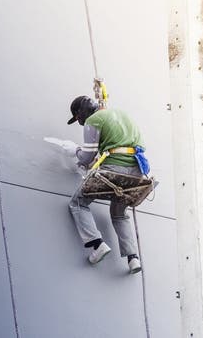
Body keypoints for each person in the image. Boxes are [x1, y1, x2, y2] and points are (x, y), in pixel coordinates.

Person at [67, 95, 145, 274]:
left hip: (114, 170)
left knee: (77, 202)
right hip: (136, 172)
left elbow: (87, 157)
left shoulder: (94, 120)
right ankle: (133, 258)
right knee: (119, 214)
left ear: (83, 112)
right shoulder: (122, 114)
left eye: (79, 118)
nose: (80, 122)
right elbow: (116, 146)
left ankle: (97, 244)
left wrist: (75, 151)